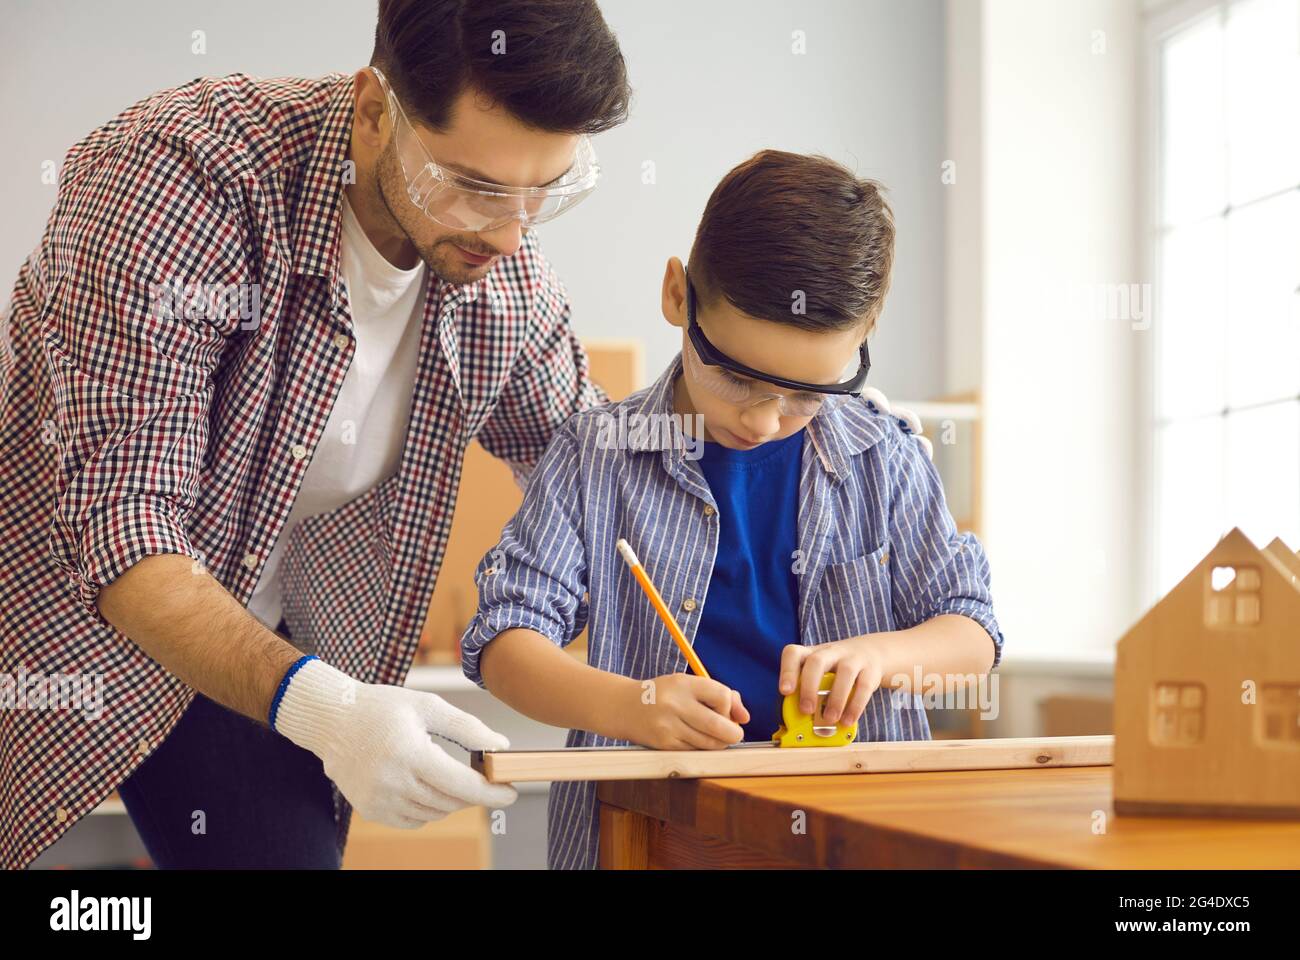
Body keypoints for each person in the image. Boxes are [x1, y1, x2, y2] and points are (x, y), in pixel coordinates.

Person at [0, 0, 630, 869]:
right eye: (479, 187)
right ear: (376, 114)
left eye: (546, 191)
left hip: (248, 632)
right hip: (50, 600)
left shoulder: (504, 279)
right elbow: (125, 520)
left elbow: (596, 489)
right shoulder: (179, 180)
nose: (512, 233)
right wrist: (325, 710)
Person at [462, 150, 1006, 869]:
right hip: (651, 838)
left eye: (808, 393)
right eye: (735, 378)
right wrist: (634, 705)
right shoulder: (599, 454)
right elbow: (505, 642)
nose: (765, 420)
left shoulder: (887, 457)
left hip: (851, 839)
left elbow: (974, 631)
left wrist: (880, 656)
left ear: (863, 336)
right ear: (677, 296)